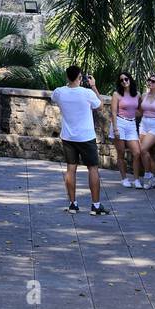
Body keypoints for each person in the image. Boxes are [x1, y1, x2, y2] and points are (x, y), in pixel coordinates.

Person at [50, 65, 109, 214]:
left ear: (67, 76)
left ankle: (73, 205)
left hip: (68, 136)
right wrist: (94, 86)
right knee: (93, 169)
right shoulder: (87, 93)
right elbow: (100, 106)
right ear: (80, 77)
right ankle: (96, 206)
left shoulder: (59, 92)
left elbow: (54, 98)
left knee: (71, 169)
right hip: (86, 136)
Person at [110, 72, 143, 188]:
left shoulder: (137, 94)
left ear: (130, 79)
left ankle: (136, 179)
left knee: (137, 152)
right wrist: (115, 129)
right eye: (121, 80)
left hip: (131, 124)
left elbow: (140, 110)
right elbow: (113, 112)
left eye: (126, 79)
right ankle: (124, 178)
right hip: (119, 123)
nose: (124, 81)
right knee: (121, 153)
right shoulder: (117, 94)